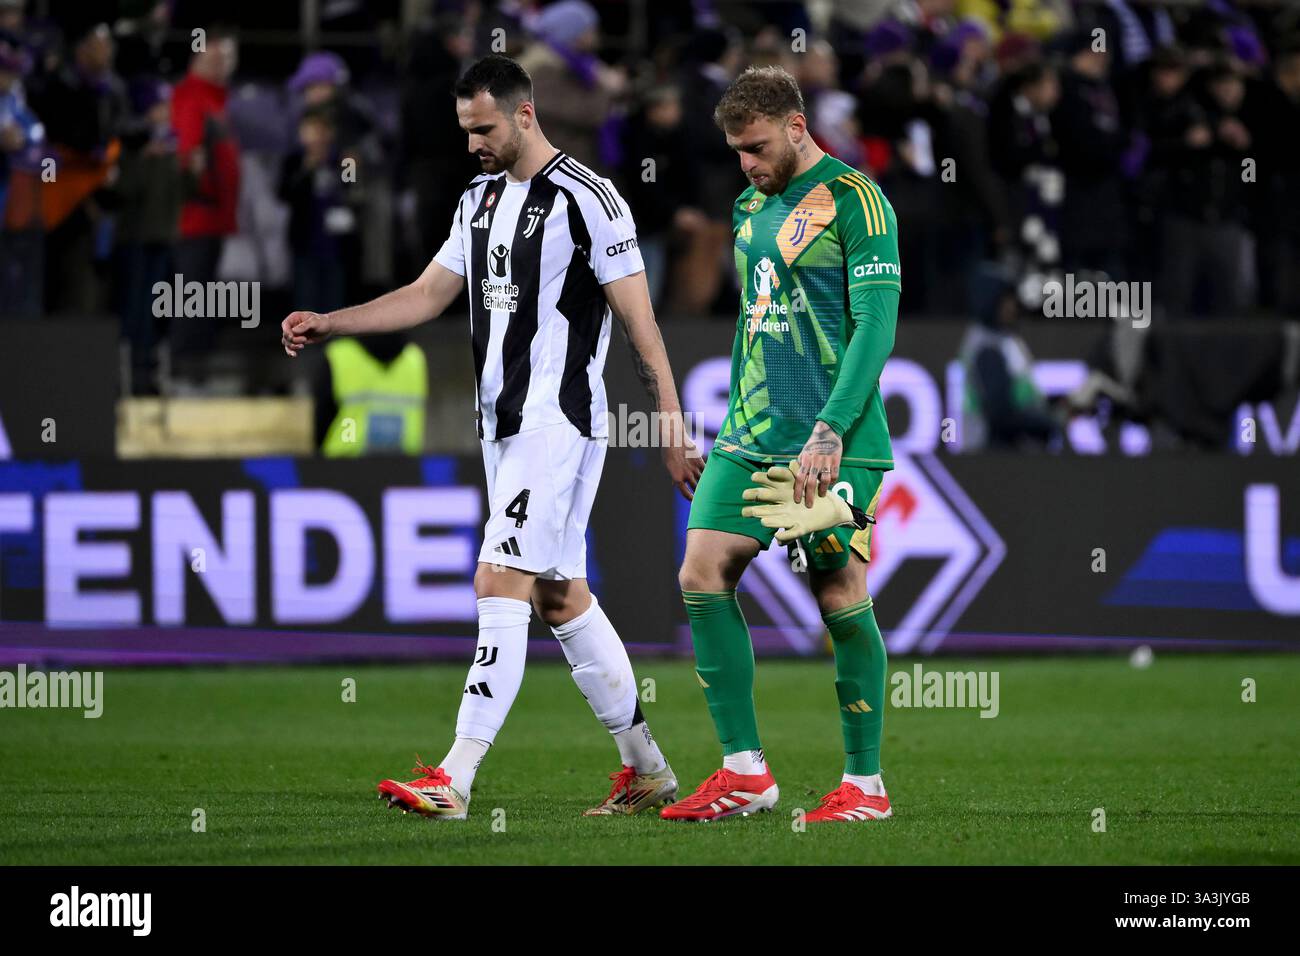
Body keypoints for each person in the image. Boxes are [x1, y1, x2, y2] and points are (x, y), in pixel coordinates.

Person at [280, 54, 702, 819]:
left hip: (558, 418)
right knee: (559, 594)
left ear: (524, 113)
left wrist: (672, 429)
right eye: (465, 130)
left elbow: (643, 330)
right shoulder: (476, 200)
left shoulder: (590, 198)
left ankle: (456, 776)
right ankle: (647, 770)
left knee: (496, 579)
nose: (473, 143)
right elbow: (427, 294)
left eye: (484, 128)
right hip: (501, 427)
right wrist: (330, 321)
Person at [664, 66, 900, 824]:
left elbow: (875, 326)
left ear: (797, 127)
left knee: (837, 592)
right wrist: (728, 419)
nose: (748, 165)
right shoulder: (746, 205)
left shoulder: (859, 202)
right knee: (702, 572)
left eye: (758, 148)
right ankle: (745, 773)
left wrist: (830, 430)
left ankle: (865, 786)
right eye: (737, 151)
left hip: (834, 440)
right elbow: (757, 324)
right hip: (751, 434)